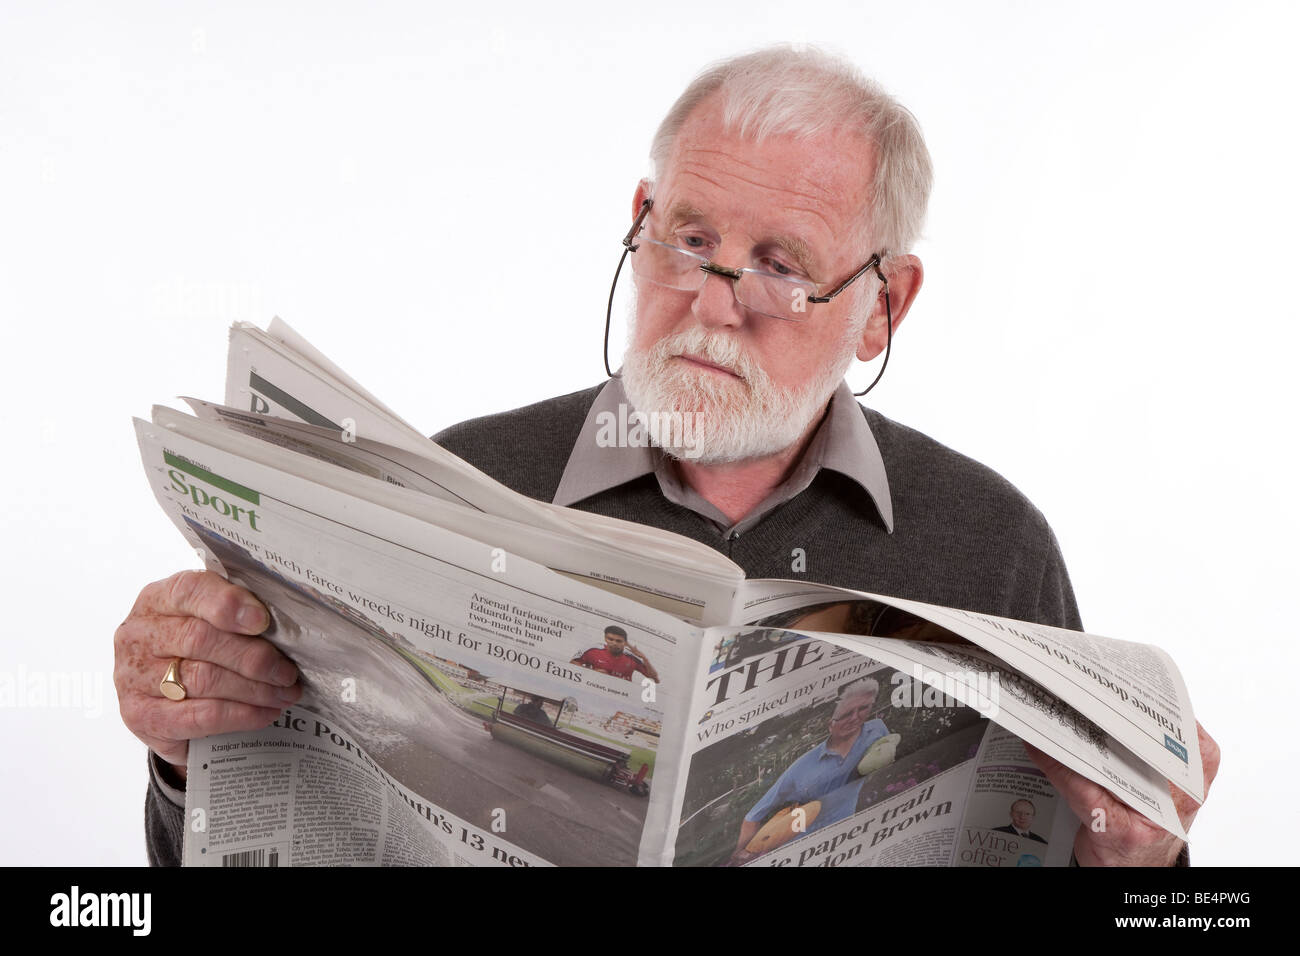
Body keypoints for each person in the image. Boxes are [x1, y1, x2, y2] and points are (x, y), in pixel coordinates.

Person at [116, 45, 1219, 867]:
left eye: (782, 265)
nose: (712, 304)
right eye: (690, 240)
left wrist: (1144, 859)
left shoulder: (993, 541)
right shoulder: (460, 484)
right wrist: (186, 748)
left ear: (883, 307)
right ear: (640, 216)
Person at [732, 681, 887, 861]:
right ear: (830, 723)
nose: (855, 718)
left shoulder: (877, 730)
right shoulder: (801, 768)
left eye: (863, 708)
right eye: (846, 714)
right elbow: (752, 817)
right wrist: (741, 853)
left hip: (853, 837)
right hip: (807, 850)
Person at [570, 625, 660, 683]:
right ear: (605, 638)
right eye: (610, 639)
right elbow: (573, 664)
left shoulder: (631, 657)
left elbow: (654, 679)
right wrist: (593, 673)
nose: (614, 643)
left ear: (625, 642)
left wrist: (644, 658)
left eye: (618, 641)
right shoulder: (593, 650)